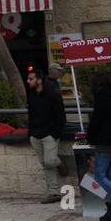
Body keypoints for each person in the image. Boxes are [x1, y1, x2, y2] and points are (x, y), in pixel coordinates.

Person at [26, 69, 66, 205]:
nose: (28, 81)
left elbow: (61, 117)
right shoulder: (31, 96)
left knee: (50, 161)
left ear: (39, 80)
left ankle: (59, 163)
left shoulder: (53, 95)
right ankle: (54, 192)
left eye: (31, 79)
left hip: (49, 134)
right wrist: (31, 133)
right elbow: (31, 116)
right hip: (35, 135)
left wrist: (55, 134)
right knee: (45, 164)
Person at [87, 74, 111, 221]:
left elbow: (96, 120)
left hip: (105, 142)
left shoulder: (101, 98)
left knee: (100, 175)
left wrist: (90, 138)